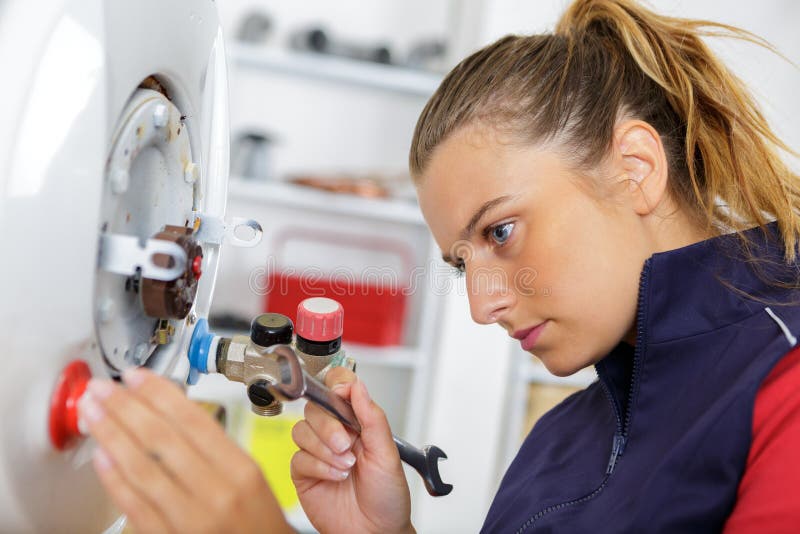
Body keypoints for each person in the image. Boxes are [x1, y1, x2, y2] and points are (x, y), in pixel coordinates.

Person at [82, 0, 800, 531]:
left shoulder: (785, 382)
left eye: (503, 231)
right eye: (461, 264)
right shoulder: (562, 439)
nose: (482, 305)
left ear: (636, 169)